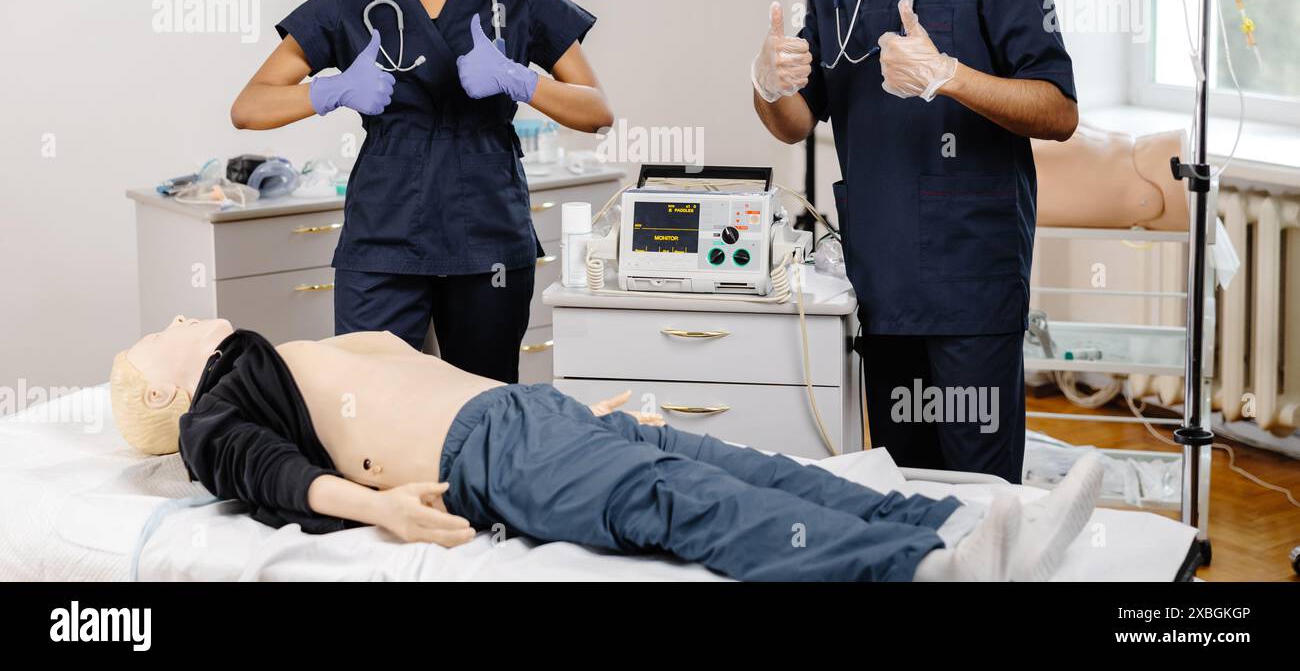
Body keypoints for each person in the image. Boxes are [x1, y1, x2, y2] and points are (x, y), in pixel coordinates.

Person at [110, 315, 1104, 582]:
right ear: (160, 386)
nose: (181, 314)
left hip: (540, 416)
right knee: (687, 504)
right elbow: (267, 473)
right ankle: (923, 569)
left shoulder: (292, 350)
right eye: (159, 330)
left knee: (754, 467)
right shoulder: (214, 410)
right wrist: (382, 509)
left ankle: (962, 521)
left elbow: (443, 377)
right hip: (491, 455)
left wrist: (580, 405)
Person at [753, 0, 1079, 483]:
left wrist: (949, 76)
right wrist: (765, 83)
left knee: (980, 491)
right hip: (882, 276)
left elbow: (1058, 111)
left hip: (969, 278)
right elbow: (796, 123)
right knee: (906, 489)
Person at [230, 0, 613, 382]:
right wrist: (331, 90)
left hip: (486, 238)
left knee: (482, 412)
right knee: (371, 404)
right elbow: (249, 107)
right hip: (383, 239)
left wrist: (519, 79)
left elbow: (597, 112)